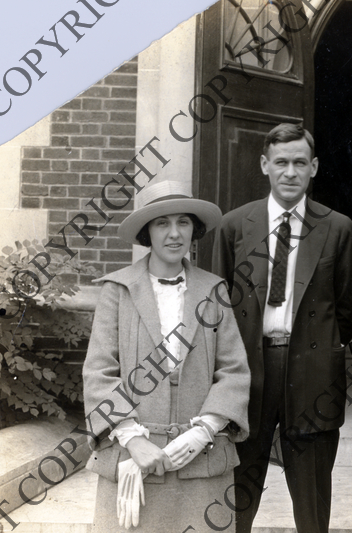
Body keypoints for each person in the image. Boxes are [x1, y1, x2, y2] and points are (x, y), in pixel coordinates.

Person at [212, 123, 352, 533]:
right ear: (265, 165)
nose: (290, 172)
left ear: (313, 167)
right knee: (238, 489)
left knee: (312, 494)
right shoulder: (234, 226)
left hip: (311, 371)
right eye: (281, 162)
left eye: (299, 163)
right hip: (249, 372)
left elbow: (345, 311)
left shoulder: (338, 228)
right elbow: (220, 308)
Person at [82, 180, 251, 532]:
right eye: (162, 223)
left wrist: (203, 431)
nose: (174, 234)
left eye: (183, 223)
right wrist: (132, 439)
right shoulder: (118, 291)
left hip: (200, 463)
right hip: (135, 461)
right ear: (147, 232)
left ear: (194, 229)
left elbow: (234, 371)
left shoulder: (214, 290)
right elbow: (99, 372)